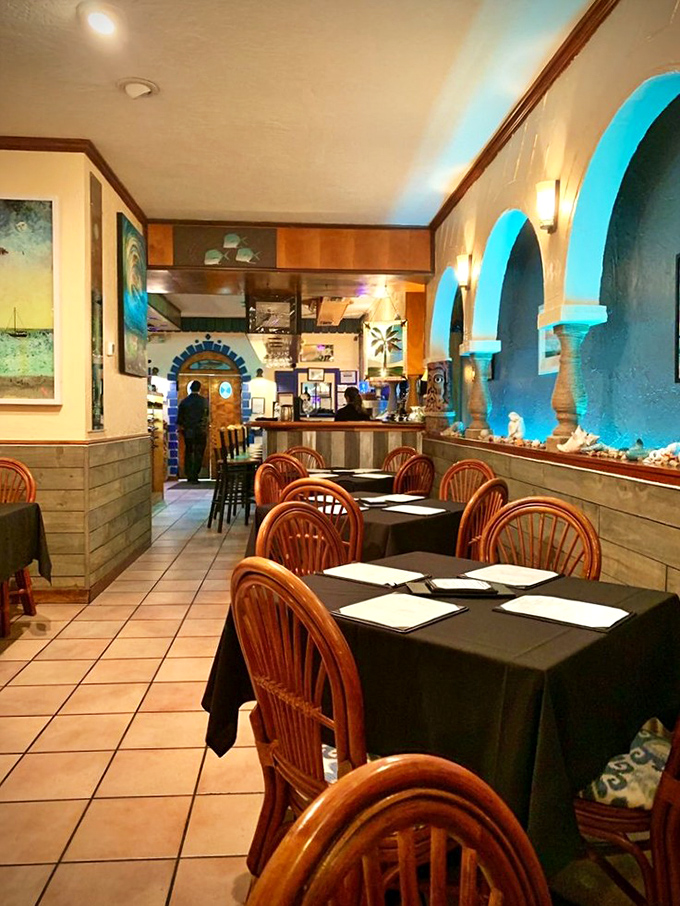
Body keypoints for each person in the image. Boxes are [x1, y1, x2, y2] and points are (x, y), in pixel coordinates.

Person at [177, 380, 209, 483]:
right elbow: (206, 415)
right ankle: (196, 474)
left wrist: (183, 427)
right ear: (199, 389)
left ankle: (189, 475)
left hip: (189, 431)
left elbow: (179, 419)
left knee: (189, 452)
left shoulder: (184, 401)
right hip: (200, 430)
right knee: (199, 452)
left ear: (190, 388)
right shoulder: (204, 401)